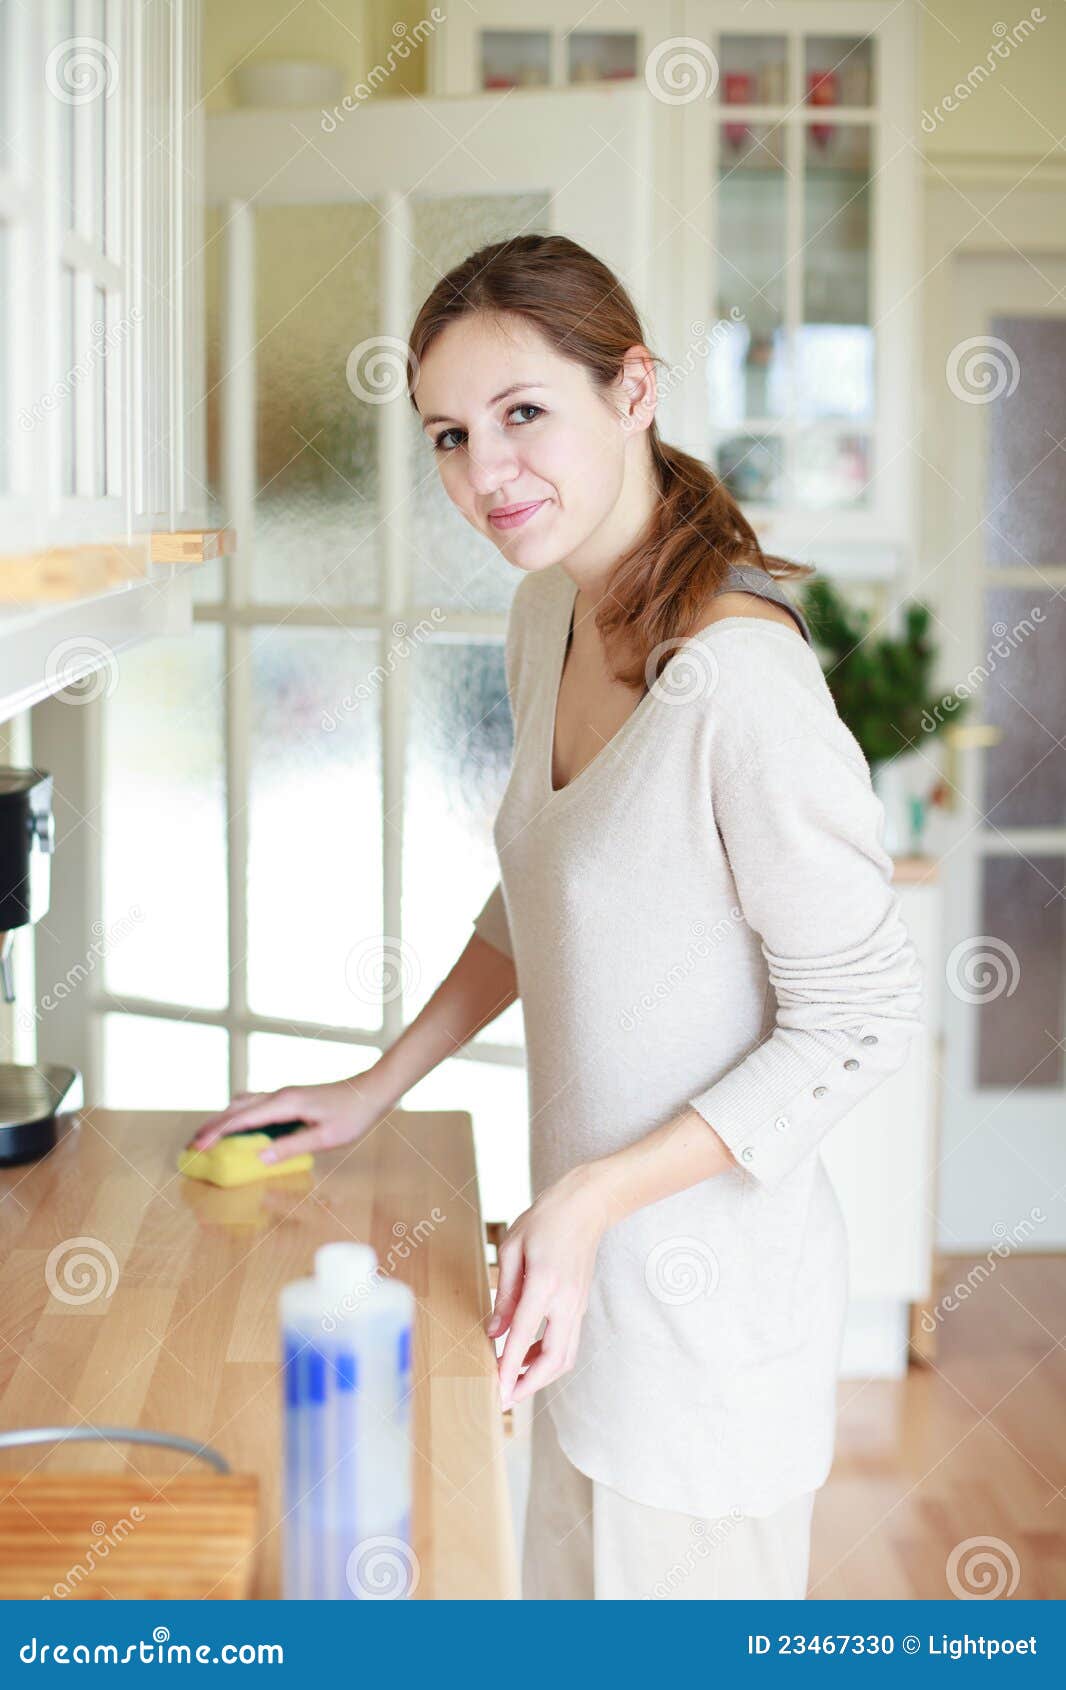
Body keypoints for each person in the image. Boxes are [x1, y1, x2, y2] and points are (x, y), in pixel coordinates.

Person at [189, 234, 924, 1601]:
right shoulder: (551, 618)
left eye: (524, 413)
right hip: (570, 1290)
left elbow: (866, 1012)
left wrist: (590, 1196)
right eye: (450, 436)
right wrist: (372, 1086)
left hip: (707, 1321)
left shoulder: (741, 682)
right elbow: (542, 897)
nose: (485, 474)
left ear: (631, 388)